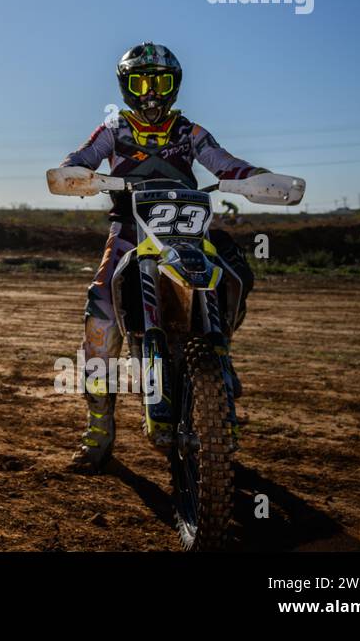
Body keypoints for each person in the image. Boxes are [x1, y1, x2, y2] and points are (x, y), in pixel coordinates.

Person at [59, 42, 263, 473]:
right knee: (101, 308)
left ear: (174, 86)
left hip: (187, 229)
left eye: (160, 82)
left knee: (233, 271)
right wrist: (77, 175)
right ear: (127, 87)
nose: (151, 93)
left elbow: (225, 164)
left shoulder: (190, 133)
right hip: (131, 232)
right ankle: (98, 425)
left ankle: (220, 355)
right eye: (141, 82)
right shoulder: (113, 130)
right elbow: (80, 159)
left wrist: (258, 178)